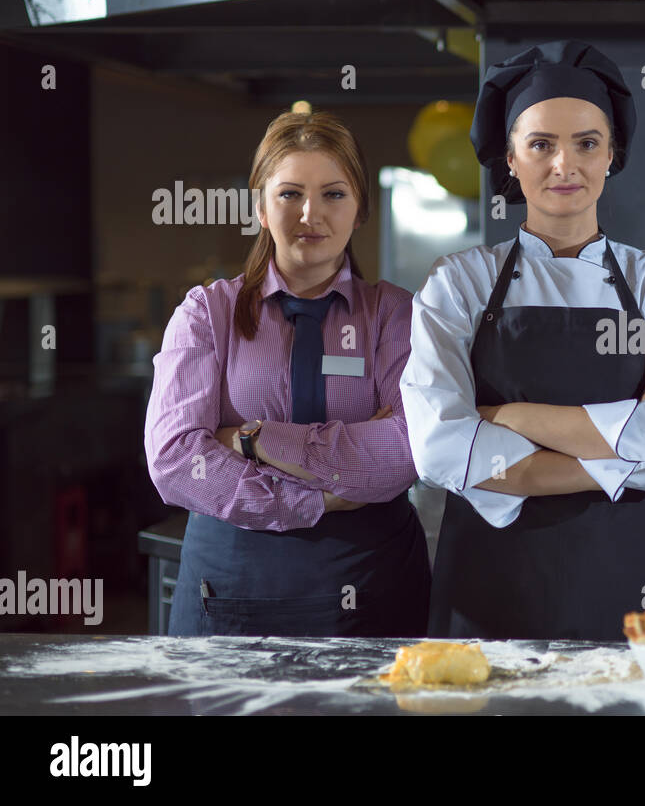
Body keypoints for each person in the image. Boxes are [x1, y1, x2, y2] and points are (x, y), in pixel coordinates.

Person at [401, 41, 645, 642]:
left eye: (587, 143)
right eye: (541, 144)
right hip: (491, 586)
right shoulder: (459, 282)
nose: (564, 165)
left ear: (612, 154)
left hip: (630, 583)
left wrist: (505, 417)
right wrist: (624, 455)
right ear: (511, 160)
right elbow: (439, 448)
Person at [144, 111, 431, 636]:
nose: (310, 214)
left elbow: (409, 450)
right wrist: (318, 499)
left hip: (371, 589)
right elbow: (175, 460)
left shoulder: (394, 315)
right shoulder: (207, 314)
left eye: (334, 194)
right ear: (259, 206)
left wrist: (254, 440)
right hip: (230, 589)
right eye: (290, 194)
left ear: (361, 207)